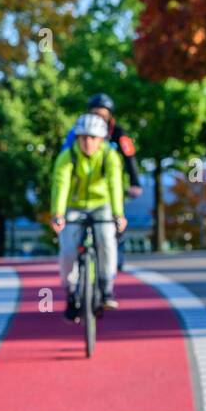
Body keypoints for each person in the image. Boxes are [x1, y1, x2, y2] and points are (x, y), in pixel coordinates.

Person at [50, 112, 126, 316]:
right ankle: (72, 292)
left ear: (101, 139)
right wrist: (58, 213)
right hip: (74, 206)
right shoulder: (67, 157)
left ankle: (106, 288)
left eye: (92, 138)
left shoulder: (110, 156)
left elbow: (115, 185)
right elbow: (60, 185)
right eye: (83, 137)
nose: (87, 142)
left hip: (102, 205)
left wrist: (118, 214)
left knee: (107, 241)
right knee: (67, 250)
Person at [62, 93, 143, 272]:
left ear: (110, 116)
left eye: (103, 115)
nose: (99, 118)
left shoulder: (119, 133)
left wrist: (135, 182)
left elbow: (130, 157)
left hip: (112, 187)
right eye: (95, 114)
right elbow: (65, 155)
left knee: (112, 225)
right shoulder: (78, 132)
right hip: (81, 190)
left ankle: (114, 261)